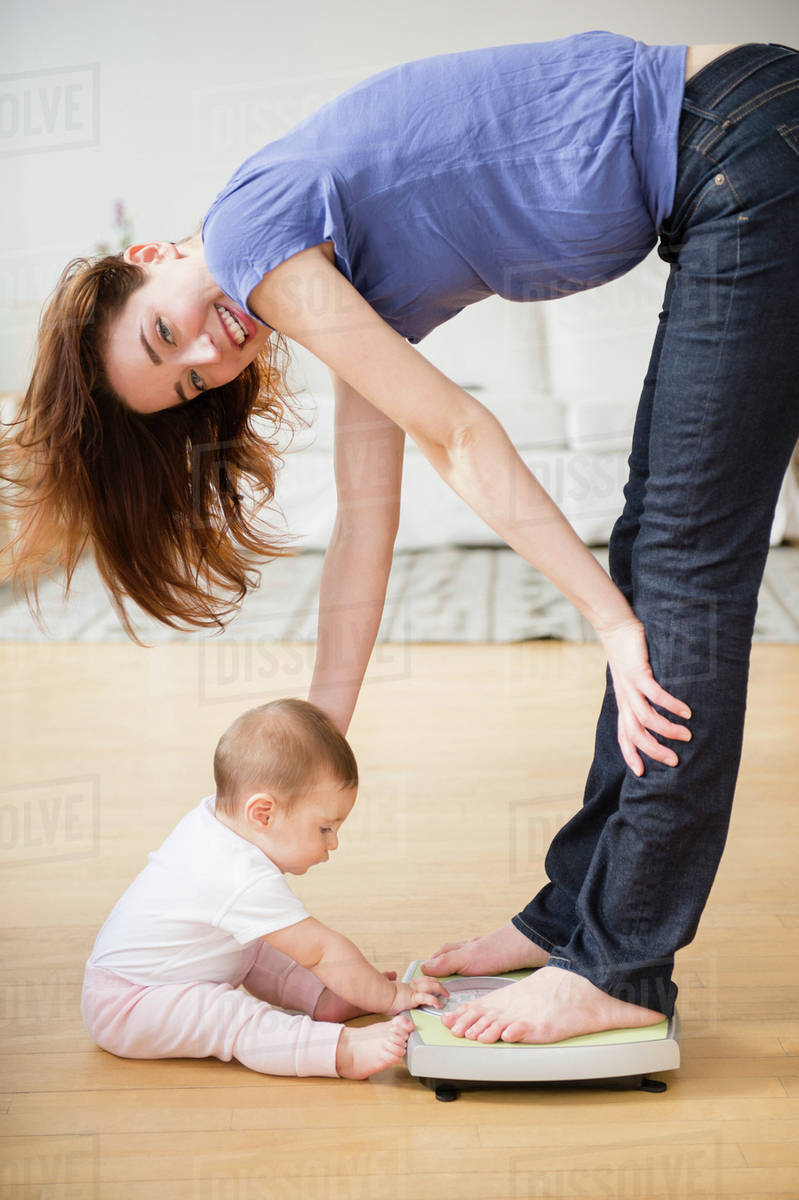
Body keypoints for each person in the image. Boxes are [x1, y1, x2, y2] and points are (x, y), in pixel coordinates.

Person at [6, 34, 799, 1044]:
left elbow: (459, 435)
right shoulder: (312, 271)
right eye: (191, 380)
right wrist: (302, 759)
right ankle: (573, 920)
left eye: (165, 333)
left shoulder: (250, 235)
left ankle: (620, 968)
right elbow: (363, 524)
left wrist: (606, 621)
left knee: (674, 581)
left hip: (742, 146)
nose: (208, 351)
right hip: (742, 148)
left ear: (148, 258)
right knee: (657, 559)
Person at [80, 698, 447, 1078]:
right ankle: (341, 1051)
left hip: (141, 984)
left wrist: (361, 985)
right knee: (228, 1014)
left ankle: (321, 997)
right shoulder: (237, 874)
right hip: (128, 1006)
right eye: (325, 828)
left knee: (259, 942)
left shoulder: (216, 820)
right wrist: (392, 996)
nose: (333, 843)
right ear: (263, 814)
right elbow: (321, 950)